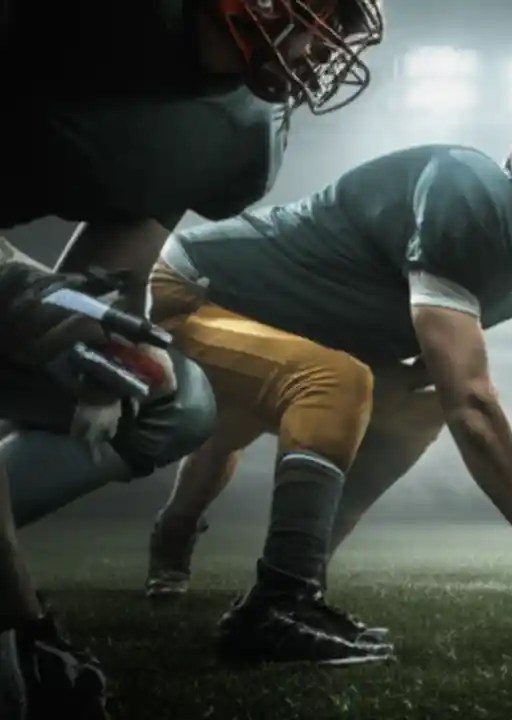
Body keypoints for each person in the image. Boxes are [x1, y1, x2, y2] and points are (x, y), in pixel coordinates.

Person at [142, 107, 512, 665]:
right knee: (335, 384)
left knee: (412, 407)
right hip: (209, 288)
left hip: (304, 329)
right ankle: (269, 599)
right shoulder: (469, 196)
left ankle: (294, 584)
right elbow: (473, 405)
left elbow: (436, 377)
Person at [0, 0, 384, 714]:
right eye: (323, 18)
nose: (322, 52)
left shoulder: (239, 127)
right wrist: (12, 284)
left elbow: (109, 276)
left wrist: (103, 332)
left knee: (166, 405)